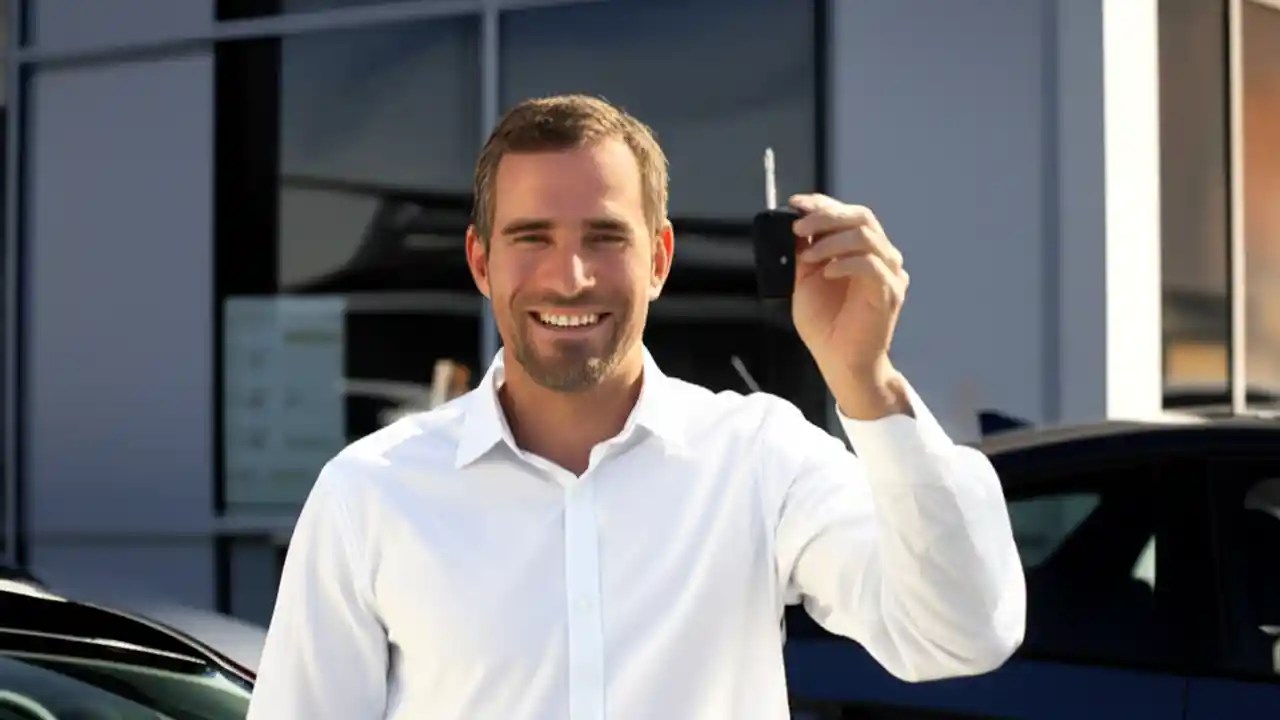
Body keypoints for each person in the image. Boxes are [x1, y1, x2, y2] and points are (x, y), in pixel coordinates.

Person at [245, 94, 1026, 719]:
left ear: (659, 258)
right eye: (532, 238)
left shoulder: (757, 458)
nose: (570, 277)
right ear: (481, 262)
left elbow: (961, 634)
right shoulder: (370, 494)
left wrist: (865, 379)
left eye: (605, 238)